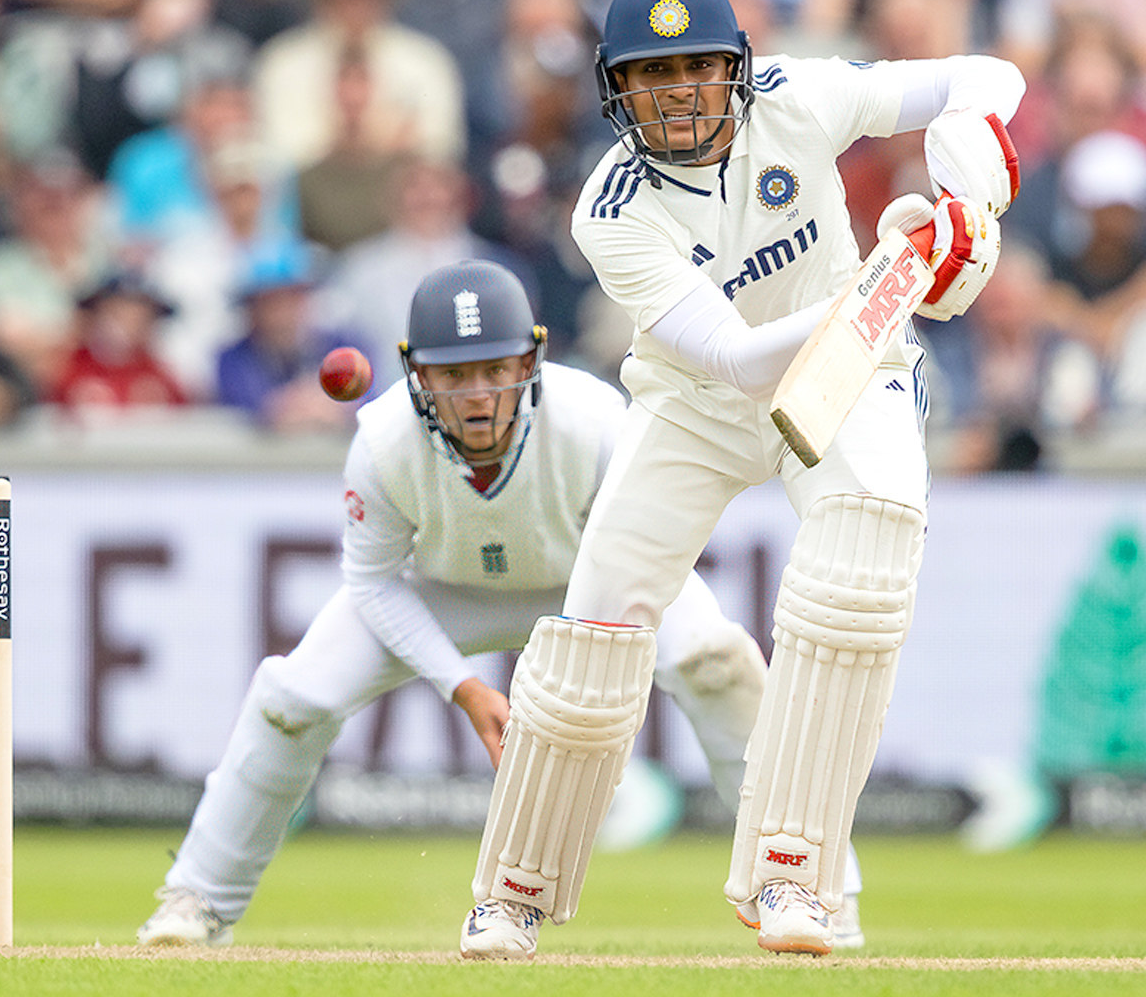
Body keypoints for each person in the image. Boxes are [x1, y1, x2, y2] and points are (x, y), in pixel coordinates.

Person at [457, 0, 1019, 960]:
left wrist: (967, 193)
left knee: (863, 567)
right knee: (597, 628)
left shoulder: (801, 99)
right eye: (651, 73)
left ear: (737, 69)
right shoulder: (611, 207)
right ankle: (511, 893)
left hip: (854, 370)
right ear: (615, 92)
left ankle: (794, 879)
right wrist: (896, 268)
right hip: (699, 403)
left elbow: (990, 78)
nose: (678, 91)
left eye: (697, 67)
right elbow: (733, 355)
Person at [136, 259, 817, 947]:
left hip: (593, 581)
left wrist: (584, 689)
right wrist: (461, 686)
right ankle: (200, 901)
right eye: (454, 376)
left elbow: (650, 553)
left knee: (716, 661)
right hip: (443, 591)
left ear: (532, 359)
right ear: (418, 375)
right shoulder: (382, 441)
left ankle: (814, 892)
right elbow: (372, 584)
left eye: (496, 370)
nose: (478, 395)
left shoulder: (595, 422)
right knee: (291, 698)